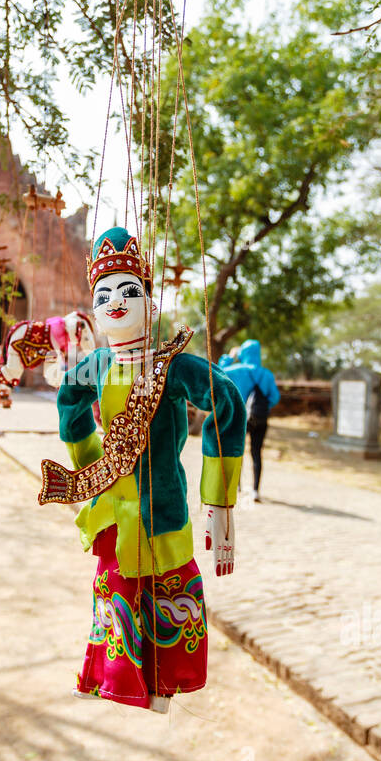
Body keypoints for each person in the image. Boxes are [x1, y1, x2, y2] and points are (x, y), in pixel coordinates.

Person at [42, 226, 246, 713]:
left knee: (165, 594)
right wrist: (93, 467)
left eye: (129, 291)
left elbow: (228, 403)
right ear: (93, 309)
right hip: (113, 511)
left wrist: (219, 501)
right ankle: (116, 682)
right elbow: (68, 399)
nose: (115, 301)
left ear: (150, 308)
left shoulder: (169, 367)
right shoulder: (94, 367)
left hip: (161, 508)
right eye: (104, 293)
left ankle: (160, 687)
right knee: (115, 598)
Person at [223, 339, 280, 501]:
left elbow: (217, 372)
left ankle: (237, 485)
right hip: (261, 418)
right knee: (256, 452)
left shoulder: (237, 370)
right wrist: (261, 406)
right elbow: (275, 397)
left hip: (241, 417)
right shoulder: (267, 374)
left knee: (237, 450)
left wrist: (229, 356)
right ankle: (255, 490)